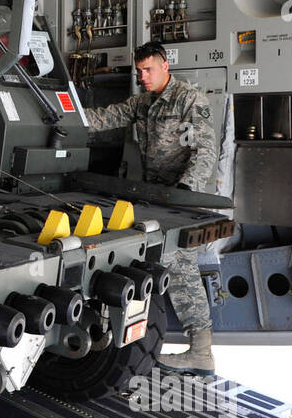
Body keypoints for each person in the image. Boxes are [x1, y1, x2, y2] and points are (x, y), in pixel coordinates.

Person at [87, 41, 219, 375]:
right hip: (153, 198)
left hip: (179, 199)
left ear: (165, 66)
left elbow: (204, 151)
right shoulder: (144, 103)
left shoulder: (189, 99)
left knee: (182, 268)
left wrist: (186, 191)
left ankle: (201, 352)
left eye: (148, 70)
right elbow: (105, 118)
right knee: (160, 263)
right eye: (139, 71)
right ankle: (154, 341)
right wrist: (64, 114)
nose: (143, 77)